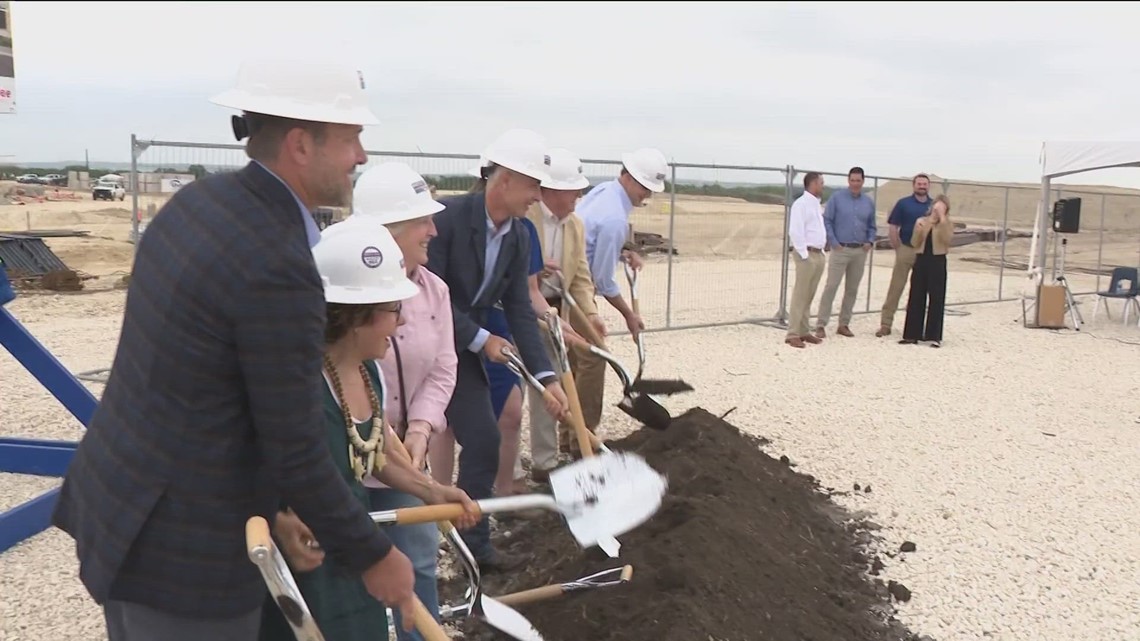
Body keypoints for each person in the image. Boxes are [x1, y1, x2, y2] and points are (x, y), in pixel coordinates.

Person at [50, 60, 419, 641]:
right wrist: (375, 556)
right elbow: (295, 446)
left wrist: (271, 511)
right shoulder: (278, 263)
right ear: (301, 144)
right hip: (184, 557)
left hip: (124, 513)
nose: (362, 156)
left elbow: (204, 391)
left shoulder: (199, 205)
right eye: (351, 139)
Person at [259, 221, 479, 641]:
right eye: (394, 311)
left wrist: (431, 490)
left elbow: (375, 452)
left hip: (352, 548)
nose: (399, 325)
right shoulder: (300, 382)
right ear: (356, 317)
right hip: (306, 555)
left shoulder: (369, 373)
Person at [425, 127, 569, 571]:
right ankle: (413, 537)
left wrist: (546, 378)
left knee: (484, 439)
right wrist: (482, 339)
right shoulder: (447, 218)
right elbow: (433, 296)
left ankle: (475, 549)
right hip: (422, 342)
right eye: (532, 186)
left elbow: (521, 309)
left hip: (462, 348)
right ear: (503, 180)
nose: (537, 198)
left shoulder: (519, 235)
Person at [334, 161, 458, 640]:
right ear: (386, 232)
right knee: (346, 571)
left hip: (401, 452)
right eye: (421, 221)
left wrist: (421, 432)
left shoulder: (435, 291)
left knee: (417, 560)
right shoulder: (343, 301)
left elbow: (444, 366)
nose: (433, 230)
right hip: (353, 455)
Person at [524, 147, 607, 479]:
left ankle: (547, 464)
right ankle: (515, 472)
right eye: (575, 189)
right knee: (520, 393)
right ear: (553, 190)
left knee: (552, 383)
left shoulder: (575, 225)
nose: (580, 195)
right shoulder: (525, 217)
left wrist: (592, 313)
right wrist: (534, 270)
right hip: (517, 308)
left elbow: (581, 277)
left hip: (555, 312)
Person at [576, 147, 665, 344]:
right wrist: (629, 315)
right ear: (628, 177)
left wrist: (621, 253)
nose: (647, 194)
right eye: (644, 186)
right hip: (575, 292)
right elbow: (603, 281)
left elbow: (590, 240)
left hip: (569, 285)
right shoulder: (615, 219)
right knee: (592, 360)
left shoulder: (605, 190)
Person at [814, 166, 877, 339]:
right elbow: (827, 220)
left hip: (860, 251)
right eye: (852, 180)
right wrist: (833, 242)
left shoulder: (868, 202)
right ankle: (820, 324)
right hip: (840, 249)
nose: (855, 183)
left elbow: (872, 225)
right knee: (831, 286)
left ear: (863, 181)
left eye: (858, 180)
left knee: (852, 289)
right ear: (848, 181)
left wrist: (870, 241)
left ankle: (844, 324)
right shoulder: (837, 198)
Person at [876, 173, 932, 337]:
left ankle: (915, 326)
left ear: (928, 186)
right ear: (914, 185)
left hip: (924, 253)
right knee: (896, 287)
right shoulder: (903, 204)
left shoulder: (933, 205)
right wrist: (898, 247)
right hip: (906, 249)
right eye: (919, 183)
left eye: (924, 184)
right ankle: (886, 324)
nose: (922, 186)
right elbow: (893, 226)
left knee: (920, 290)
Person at [900, 195, 954, 347]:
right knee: (916, 295)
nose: (937, 211)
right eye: (936, 207)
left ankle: (933, 335)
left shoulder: (947, 223)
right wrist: (918, 230)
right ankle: (912, 334)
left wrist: (942, 219)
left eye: (941, 208)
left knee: (936, 298)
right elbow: (914, 242)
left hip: (938, 261)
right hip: (922, 259)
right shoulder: (922, 221)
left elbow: (947, 240)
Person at [785, 172, 828, 349]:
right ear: (813, 184)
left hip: (818, 253)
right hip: (807, 254)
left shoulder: (816, 205)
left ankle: (804, 330)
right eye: (821, 183)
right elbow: (795, 231)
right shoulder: (801, 204)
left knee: (809, 295)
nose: (823, 186)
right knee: (800, 294)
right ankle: (793, 333)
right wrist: (803, 254)